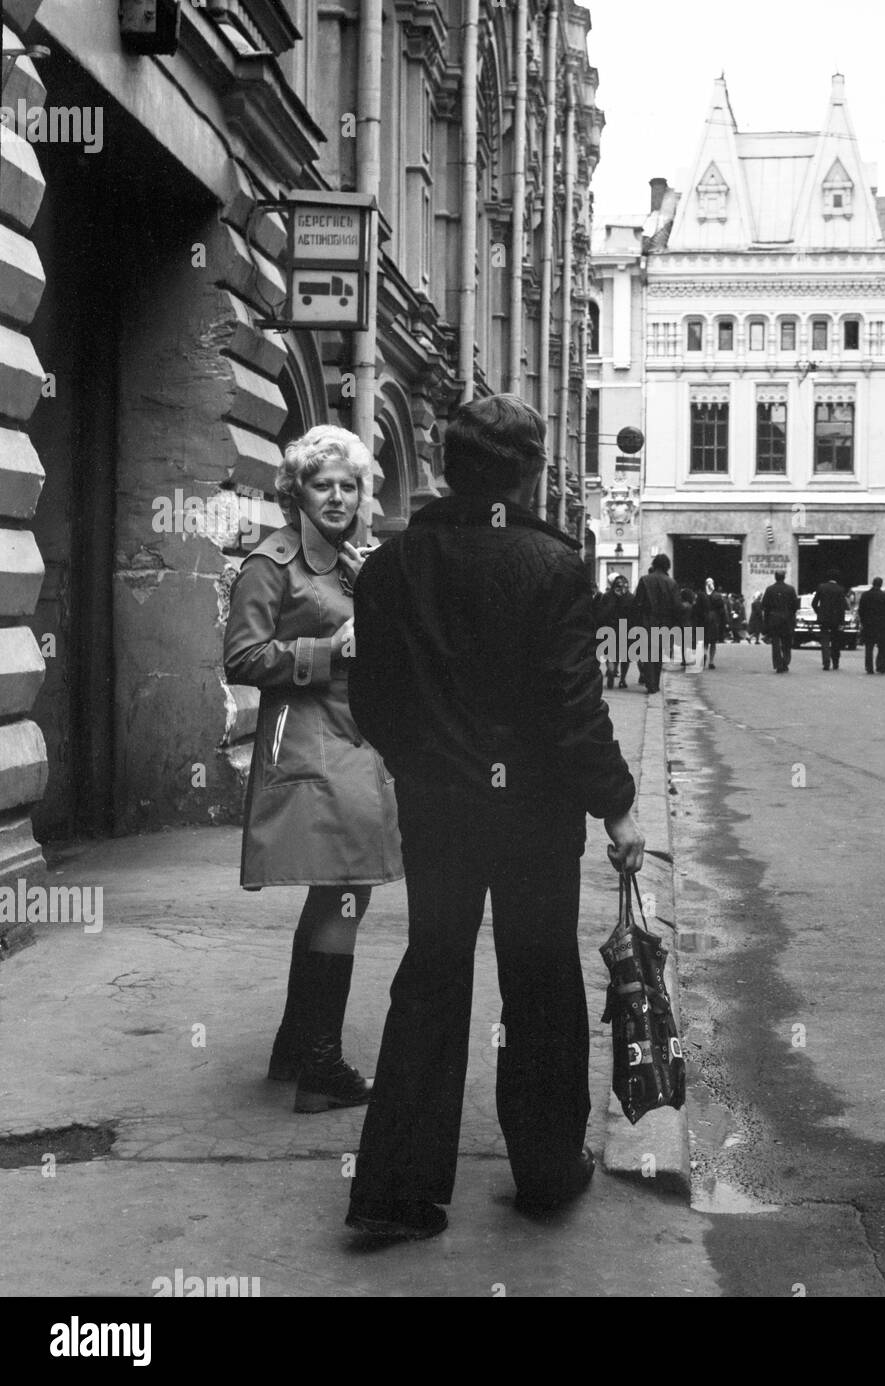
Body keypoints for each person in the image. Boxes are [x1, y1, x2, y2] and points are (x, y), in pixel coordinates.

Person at [343, 394, 645, 1240]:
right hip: (535, 816)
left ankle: (397, 1192)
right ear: (532, 473)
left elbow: (372, 700)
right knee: (541, 979)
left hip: (438, 807)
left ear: (444, 466)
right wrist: (617, 806)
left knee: (432, 972)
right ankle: (547, 1169)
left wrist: (427, 767)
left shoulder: (390, 567)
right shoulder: (551, 567)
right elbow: (572, 707)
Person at [223, 424, 403, 1116]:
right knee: (345, 893)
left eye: (348, 485)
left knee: (334, 894)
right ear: (296, 490)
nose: (337, 495)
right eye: (322, 484)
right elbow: (242, 657)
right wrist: (329, 651)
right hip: (311, 748)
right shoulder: (272, 565)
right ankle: (321, 1068)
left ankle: (295, 1050)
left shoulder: (356, 562)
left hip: (356, 744)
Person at [632, 554, 681, 693]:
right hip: (665, 623)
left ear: (654, 564)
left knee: (648, 654)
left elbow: (637, 603)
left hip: (647, 622)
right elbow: (677, 607)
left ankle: (650, 683)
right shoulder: (672, 583)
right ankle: (655, 683)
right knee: (659, 654)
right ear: (667, 566)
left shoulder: (645, 580)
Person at [594, 574, 635, 689]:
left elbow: (601, 614)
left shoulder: (607, 596)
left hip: (610, 628)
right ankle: (622, 679)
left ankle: (611, 670)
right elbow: (634, 616)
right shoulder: (631, 598)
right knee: (626, 657)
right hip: (626, 630)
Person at [761, 569, 799, 672]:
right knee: (787, 643)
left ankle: (778, 664)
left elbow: (764, 605)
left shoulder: (769, 589)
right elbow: (796, 606)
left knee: (776, 643)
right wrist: (790, 614)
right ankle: (785, 662)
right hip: (787, 619)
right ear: (784, 577)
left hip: (774, 619)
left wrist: (767, 620)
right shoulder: (790, 589)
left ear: (775, 577)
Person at [812, 570, 848, 671]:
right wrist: (842, 621)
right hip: (836, 620)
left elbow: (814, 603)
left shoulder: (821, 587)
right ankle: (835, 662)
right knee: (836, 641)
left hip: (824, 619)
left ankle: (826, 662)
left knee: (825, 641)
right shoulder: (840, 589)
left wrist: (819, 612)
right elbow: (842, 607)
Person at [858, 576, 885, 674]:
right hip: (881, 625)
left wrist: (863, 622)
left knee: (869, 647)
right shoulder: (884, 596)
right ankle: (881, 666)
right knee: (882, 646)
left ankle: (869, 667)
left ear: (873, 583)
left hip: (869, 625)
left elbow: (861, 610)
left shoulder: (865, 595)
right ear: (881, 584)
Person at [698, 578, 726, 669]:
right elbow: (722, 610)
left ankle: (704, 653)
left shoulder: (701, 595)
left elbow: (697, 608)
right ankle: (711, 661)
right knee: (713, 642)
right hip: (714, 619)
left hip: (704, 618)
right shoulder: (718, 595)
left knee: (705, 641)